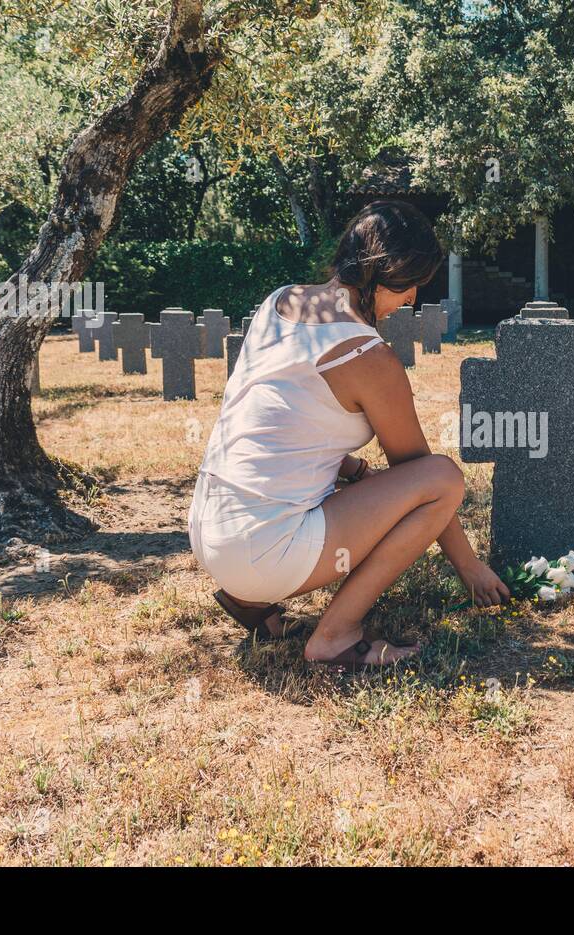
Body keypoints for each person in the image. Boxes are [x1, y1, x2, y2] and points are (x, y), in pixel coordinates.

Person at [189, 200, 510, 668]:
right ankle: (336, 636)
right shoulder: (368, 357)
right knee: (444, 477)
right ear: (387, 274)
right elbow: (421, 475)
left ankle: (252, 600)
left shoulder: (281, 300)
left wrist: (356, 470)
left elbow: (274, 420)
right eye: (411, 285)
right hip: (263, 550)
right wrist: (469, 567)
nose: (413, 300)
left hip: (209, 529)